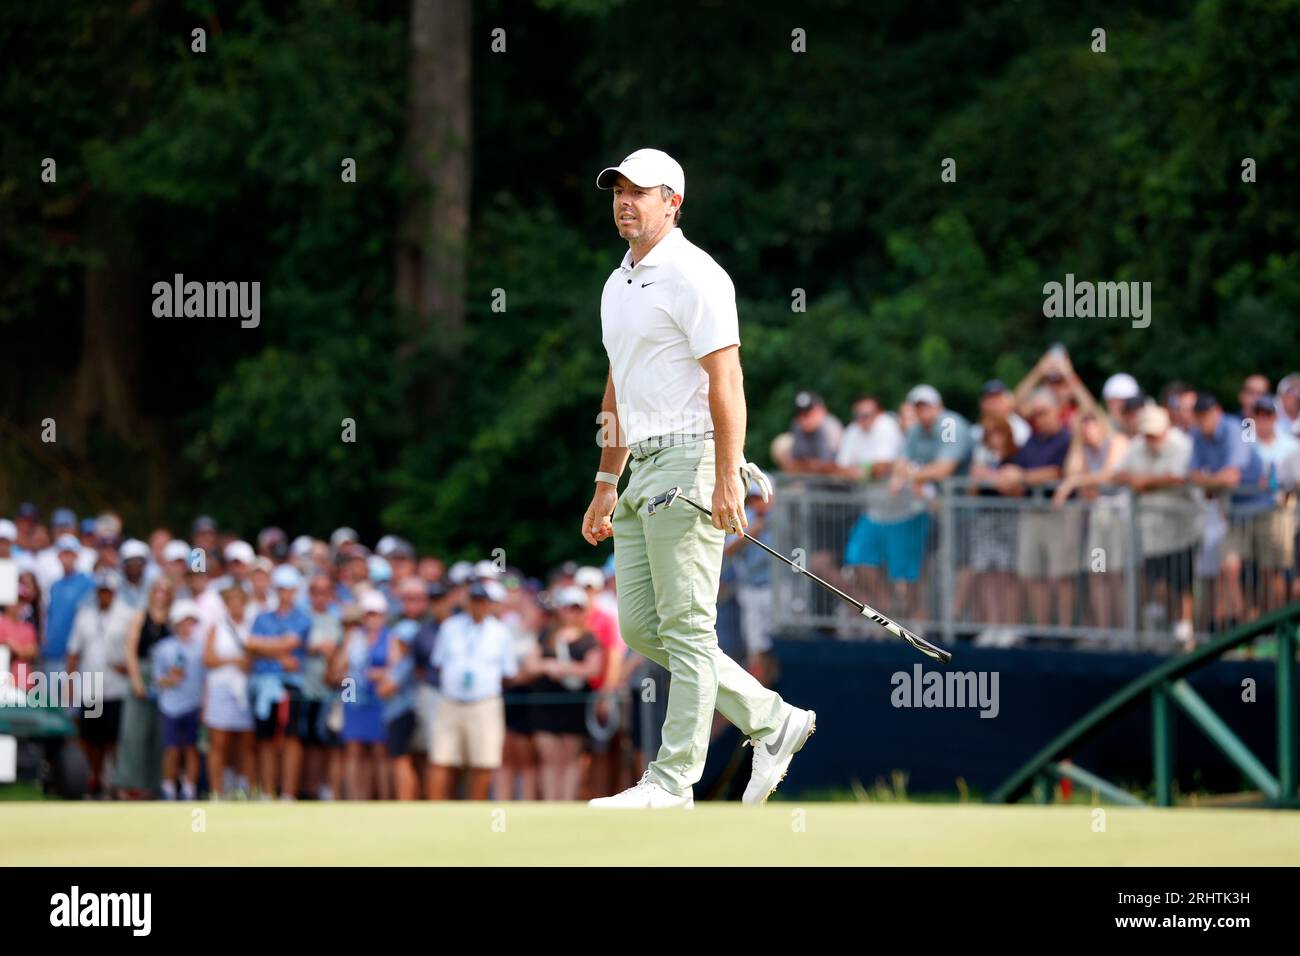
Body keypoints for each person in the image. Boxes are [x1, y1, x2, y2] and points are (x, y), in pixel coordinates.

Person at [582, 148, 814, 809]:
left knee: (685, 626)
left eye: (640, 192)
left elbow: (727, 379)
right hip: (640, 468)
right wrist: (605, 481)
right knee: (641, 628)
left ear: (672, 202)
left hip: (693, 457)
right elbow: (617, 386)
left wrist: (724, 475)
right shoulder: (616, 283)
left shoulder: (694, 275)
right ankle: (773, 720)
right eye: (618, 190)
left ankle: (672, 781)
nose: (625, 201)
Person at [886, 384, 974, 620]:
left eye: (926, 406)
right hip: (934, 510)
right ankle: (924, 616)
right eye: (918, 407)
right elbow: (901, 462)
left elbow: (944, 469)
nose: (922, 412)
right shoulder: (916, 431)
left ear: (939, 406)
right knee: (923, 561)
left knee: (962, 562)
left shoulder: (950, 424)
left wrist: (909, 476)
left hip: (964, 510)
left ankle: (953, 618)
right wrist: (907, 475)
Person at [1113, 406, 1198, 647]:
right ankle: (1158, 632)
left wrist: (1144, 481)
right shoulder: (1137, 446)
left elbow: (1179, 476)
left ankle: (1184, 631)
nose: (1150, 440)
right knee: (1154, 582)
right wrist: (1137, 480)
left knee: (1181, 582)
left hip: (1180, 530)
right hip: (1150, 533)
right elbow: (1118, 473)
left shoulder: (1181, 445)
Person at [997, 389, 1078, 629]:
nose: (1038, 418)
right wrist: (1011, 476)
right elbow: (1016, 469)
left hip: (1060, 513)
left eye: (1043, 412)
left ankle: (1064, 632)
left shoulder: (1066, 439)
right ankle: (1042, 630)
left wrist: (1022, 477)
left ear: (1057, 412)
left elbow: (1057, 471)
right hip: (1032, 510)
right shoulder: (1032, 440)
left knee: (1061, 575)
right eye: (1035, 414)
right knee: (1033, 574)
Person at [429, 581, 517, 800]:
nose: (477, 606)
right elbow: (438, 663)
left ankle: (475, 813)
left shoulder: (500, 632)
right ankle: (435, 812)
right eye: (473, 601)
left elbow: (509, 672)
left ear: (488, 604)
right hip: (450, 701)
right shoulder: (450, 627)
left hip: (484, 702)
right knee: (441, 758)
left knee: (484, 760)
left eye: (481, 601)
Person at [1189, 393, 1268, 628]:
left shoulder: (1236, 429)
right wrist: (1215, 482)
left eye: (1207, 415)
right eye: (1199, 417)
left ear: (1217, 412)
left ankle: (1272, 628)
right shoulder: (1196, 434)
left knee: (1268, 571)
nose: (1204, 421)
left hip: (1263, 509)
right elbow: (1193, 476)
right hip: (1234, 513)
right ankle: (1242, 629)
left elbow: (1232, 477)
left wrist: (1208, 482)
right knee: (1229, 567)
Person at [1053, 408, 1129, 630]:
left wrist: (1074, 483)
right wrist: (1077, 445)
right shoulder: (1084, 449)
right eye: (1083, 427)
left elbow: (1109, 475)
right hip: (1098, 518)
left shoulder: (1118, 441)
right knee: (1098, 574)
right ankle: (1103, 630)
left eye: (1092, 424)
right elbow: (1077, 475)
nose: (1088, 431)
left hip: (1118, 518)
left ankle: (1123, 630)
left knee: (1116, 575)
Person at [526, 587, 603, 801]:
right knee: (549, 758)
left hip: (573, 705)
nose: (571, 612)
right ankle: (552, 802)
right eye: (567, 608)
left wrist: (565, 669)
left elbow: (594, 668)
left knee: (571, 758)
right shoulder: (546, 636)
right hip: (546, 703)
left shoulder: (589, 639)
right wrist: (549, 666)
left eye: (576, 608)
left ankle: (567, 803)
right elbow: (531, 665)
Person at [67, 570, 134, 798]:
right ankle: (94, 778)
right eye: (101, 591)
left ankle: (115, 780)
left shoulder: (127, 615)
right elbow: (73, 652)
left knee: (114, 738)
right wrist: (69, 683)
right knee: (92, 738)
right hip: (91, 686)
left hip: (117, 687)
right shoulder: (85, 615)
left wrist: (129, 668)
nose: (104, 596)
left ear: (115, 593)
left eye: (108, 592)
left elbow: (133, 649)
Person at [247, 565, 311, 799]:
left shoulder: (302, 619)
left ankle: (288, 793)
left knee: (291, 739)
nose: (285, 594)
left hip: (290, 686)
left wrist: (266, 647)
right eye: (281, 589)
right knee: (265, 740)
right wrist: (279, 650)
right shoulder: (262, 617)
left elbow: (290, 643)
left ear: (295, 591)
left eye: (289, 589)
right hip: (264, 685)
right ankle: (266, 792)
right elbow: (251, 644)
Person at [115, 577, 173, 799]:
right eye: (157, 589)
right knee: (133, 733)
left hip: (163, 680)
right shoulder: (141, 616)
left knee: (158, 735)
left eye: (165, 590)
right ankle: (127, 783)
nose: (161, 593)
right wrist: (137, 680)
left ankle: (152, 785)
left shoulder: (171, 620)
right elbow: (130, 649)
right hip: (142, 673)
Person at [333, 589, 391, 800]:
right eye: (368, 614)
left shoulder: (390, 638)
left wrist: (379, 674)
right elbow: (339, 671)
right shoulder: (353, 638)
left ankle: (383, 798)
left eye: (376, 614)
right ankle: (356, 798)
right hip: (355, 699)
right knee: (354, 749)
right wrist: (350, 689)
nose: (372, 618)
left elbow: (396, 670)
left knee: (379, 751)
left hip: (380, 700)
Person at [965, 416, 1022, 631]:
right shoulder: (983, 458)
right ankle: (993, 624)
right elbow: (972, 492)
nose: (993, 439)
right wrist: (983, 477)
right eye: (989, 434)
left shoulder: (1017, 457)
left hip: (1008, 520)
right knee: (987, 574)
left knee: (1006, 574)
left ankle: (1009, 626)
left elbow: (1012, 489)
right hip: (984, 520)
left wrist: (988, 475)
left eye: (997, 433)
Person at [202, 583, 256, 799]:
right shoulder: (218, 626)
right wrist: (234, 660)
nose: (235, 604)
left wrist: (248, 663)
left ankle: (244, 789)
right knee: (219, 742)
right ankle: (217, 791)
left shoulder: (252, 625)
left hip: (245, 690)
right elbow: (208, 658)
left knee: (246, 744)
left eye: (238, 600)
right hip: (221, 689)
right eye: (230, 600)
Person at [151, 599, 206, 800]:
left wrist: (204, 705)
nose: (187, 626)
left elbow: (205, 679)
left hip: (193, 704)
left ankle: (189, 788)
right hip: (170, 706)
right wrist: (170, 679)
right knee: (172, 749)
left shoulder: (200, 647)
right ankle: (169, 788)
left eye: (191, 622)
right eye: (184, 621)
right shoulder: (164, 648)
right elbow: (157, 680)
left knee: (191, 749)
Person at [302, 573, 344, 800]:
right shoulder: (301, 618)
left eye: (325, 592)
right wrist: (312, 648)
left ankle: (323, 789)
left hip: (328, 691)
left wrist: (332, 659)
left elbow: (341, 655)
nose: (320, 597)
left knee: (327, 743)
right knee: (304, 743)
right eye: (316, 592)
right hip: (304, 688)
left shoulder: (336, 621)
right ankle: (304, 790)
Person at [41, 535, 94, 675]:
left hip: (74, 655)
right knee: (49, 697)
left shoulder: (87, 583)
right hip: (52, 653)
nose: (67, 558)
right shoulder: (55, 585)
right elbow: (50, 616)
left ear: (76, 556)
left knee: (70, 696)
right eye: (63, 554)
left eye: (70, 554)